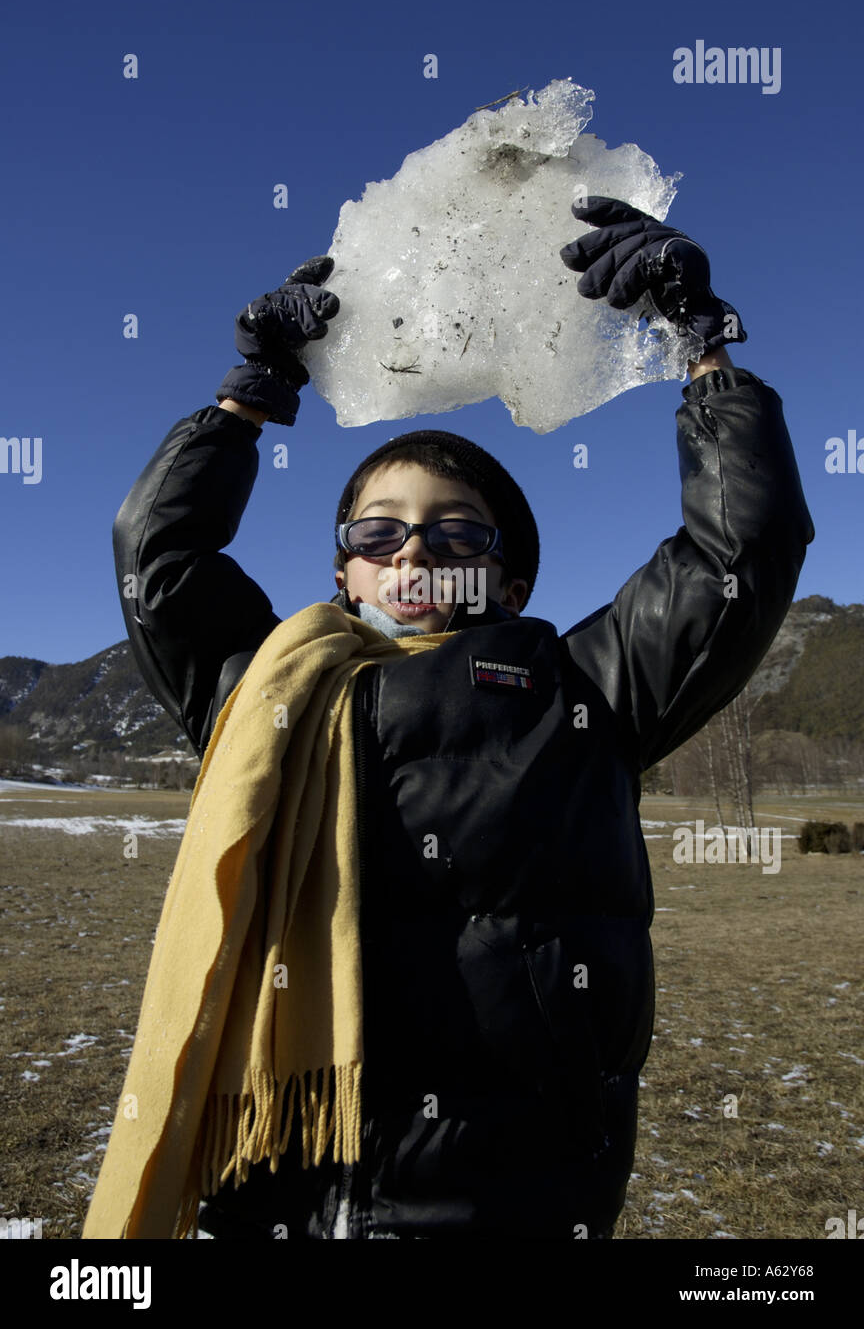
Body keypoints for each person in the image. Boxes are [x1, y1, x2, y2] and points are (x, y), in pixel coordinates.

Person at [99, 198, 813, 1240]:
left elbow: (738, 555)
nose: (414, 553)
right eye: (378, 533)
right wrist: (252, 393)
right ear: (342, 571)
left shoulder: (586, 689)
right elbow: (159, 559)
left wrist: (698, 340)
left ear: (511, 579)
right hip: (275, 1194)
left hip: (508, 1203)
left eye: (454, 531)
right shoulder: (265, 692)